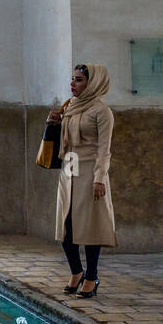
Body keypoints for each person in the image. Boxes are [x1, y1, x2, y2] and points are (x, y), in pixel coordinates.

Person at [47, 63, 115, 298]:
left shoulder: (101, 111)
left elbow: (104, 149)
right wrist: (56, 124)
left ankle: (91, 276)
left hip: (89, 173)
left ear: (92, 83)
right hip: (68, 171)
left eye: (79, 80)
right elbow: (66, 140)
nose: (73, 84)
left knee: (89, 227)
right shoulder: (70, 106)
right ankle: (76, 271)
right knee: (66, 226)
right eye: (72, 79)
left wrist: (99, 178)